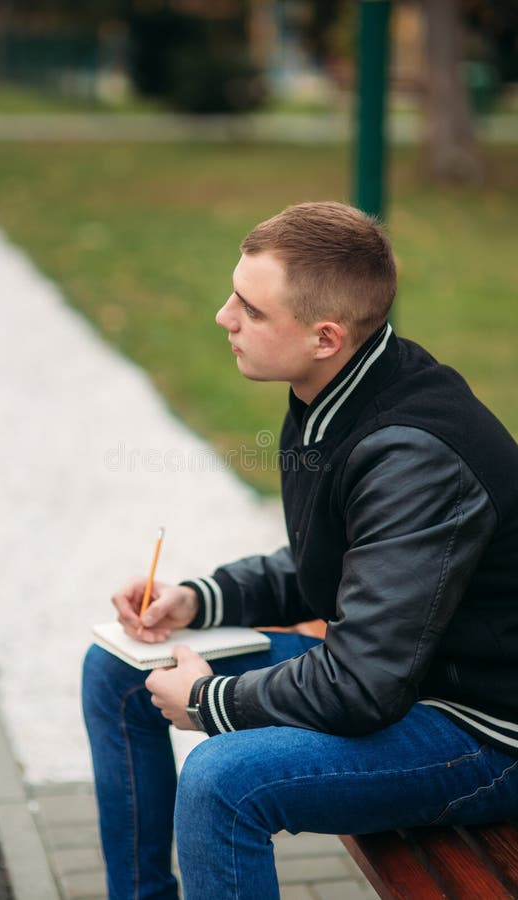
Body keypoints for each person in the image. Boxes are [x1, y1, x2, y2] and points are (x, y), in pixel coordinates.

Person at [82, 202, 518, 900]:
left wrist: (209, 699)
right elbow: (341, 563)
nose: (224, 317)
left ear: (324, 336)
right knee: (116, 667)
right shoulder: (338, 389)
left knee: (222, 780)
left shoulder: (413, 452)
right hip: (405, 676)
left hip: (481, 730)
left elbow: (360, 687)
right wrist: (197, 599)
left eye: (251, 310)